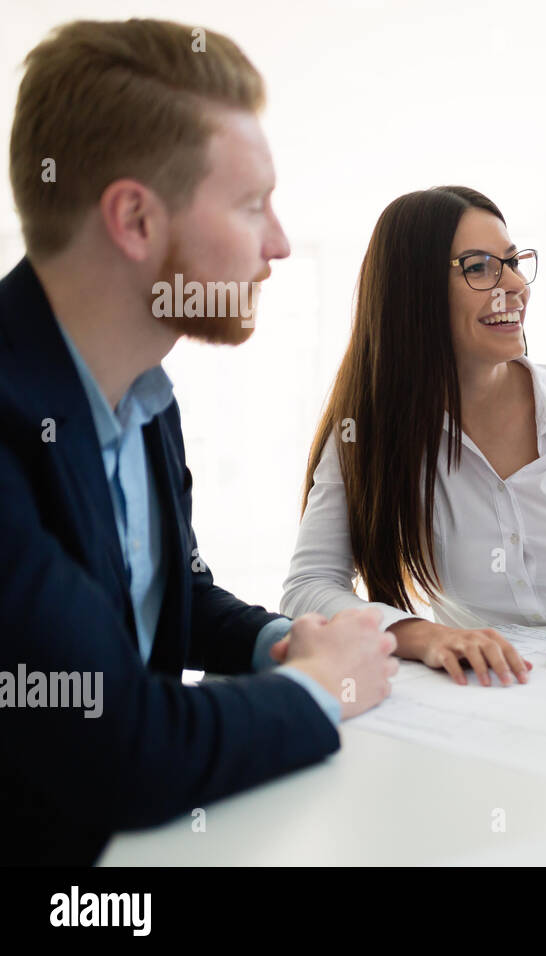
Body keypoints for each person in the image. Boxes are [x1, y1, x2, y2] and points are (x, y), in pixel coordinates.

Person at [0, 19, 398, 865]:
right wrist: (321, 688)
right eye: (253, 205)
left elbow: (169, 592)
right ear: (136, 220)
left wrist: (280, 644)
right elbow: (113, 744)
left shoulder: (146, 397)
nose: (280, 243)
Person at [281, 187, 546, 685]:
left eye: (514, 261)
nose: (516, 285)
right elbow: (308, 587)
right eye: (478, 267)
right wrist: (422, 635)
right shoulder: (365, 433)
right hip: (478, 693)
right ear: (413, 292)